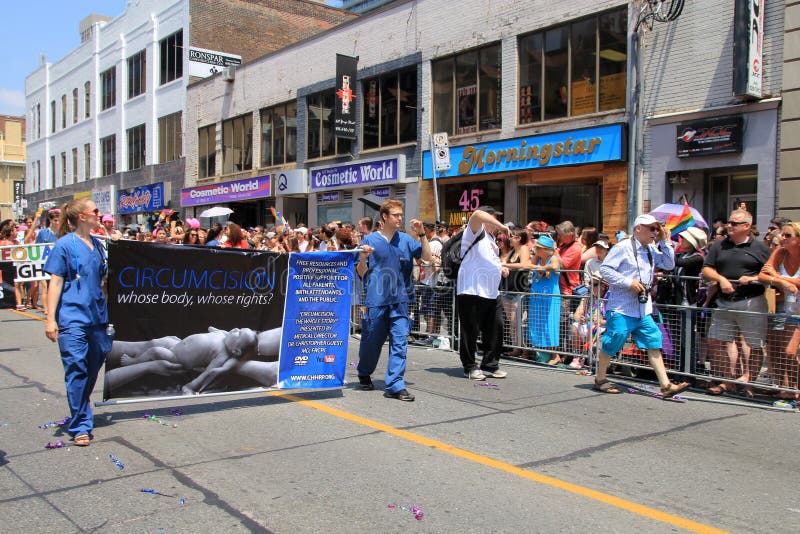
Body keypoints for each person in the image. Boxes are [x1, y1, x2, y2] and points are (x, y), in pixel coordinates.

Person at [592, 214, 689, 398]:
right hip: (622, 306)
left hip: (642, 308)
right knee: (615, 339)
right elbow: (605, 269)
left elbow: (669, 264)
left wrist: (664, 241)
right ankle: (600, 378)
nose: (655, 232)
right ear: (638, 229)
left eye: (656, 229)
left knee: (653, 341)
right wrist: (629, 282)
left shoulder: (651, 250)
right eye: (651, 229)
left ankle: (666, 384)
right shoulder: (623, 247)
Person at [42, 198, 112, 447]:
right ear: (83, 216)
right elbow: (55, 283)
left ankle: (81, 408)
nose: (99, 214)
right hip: (73, 318)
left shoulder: (97, 244)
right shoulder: (64, 245)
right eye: (95, 211)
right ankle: (81, 424)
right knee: (77, 369)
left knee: (92, 367)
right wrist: (50, 319)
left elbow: (103, 281)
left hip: (98, 318)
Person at [356, 199, 431, 401]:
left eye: (401, 214)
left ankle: (395, 385)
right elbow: (361, 272)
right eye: (396, 215)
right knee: (372, 341)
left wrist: (422, 234)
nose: (400, 218)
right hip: (376, 300)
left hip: (400, 300)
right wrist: (363, 258)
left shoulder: (406, 240)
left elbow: (427, 257)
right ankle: (364, 371)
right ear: (384, 217)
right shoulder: (370, 241)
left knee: (400, 342)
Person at [702, 209, 771, 396]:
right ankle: (728, 381)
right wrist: (721, 279)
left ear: (747, 227)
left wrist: (753, 278)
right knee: (716, 340)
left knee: (754, 344)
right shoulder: (719, 246)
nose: (729, 226)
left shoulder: (761, 249)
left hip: (751, 301)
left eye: (734, 223)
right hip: (724, 302)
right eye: (728, 222)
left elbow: (771, 274)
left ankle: (749, 382)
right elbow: (707, 270)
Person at [457, 206, 509, 380]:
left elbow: (487, 259)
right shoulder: (473, 231)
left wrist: (500, 268)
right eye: (493, 218)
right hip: (472, 290)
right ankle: (470, 366)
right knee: (470, 330)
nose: (495, 223)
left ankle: (490, 364)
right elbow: (477, 214)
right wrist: (500, 225)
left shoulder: (490, 239)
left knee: (496, 327)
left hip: (491, 292)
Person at [758, 222, 800, 399]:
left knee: (790, 352)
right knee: (788, 352)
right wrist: (783, 282)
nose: (781, 238)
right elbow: (762, 275)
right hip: (792, 310)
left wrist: (775, 276)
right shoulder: (780, 253)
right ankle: (794, 388)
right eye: (782, 235)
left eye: (787, 236)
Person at [527, 235, 562, 362]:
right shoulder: (537, 259)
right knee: (537, 323)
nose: (536, 249)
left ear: (545, 249)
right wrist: (538, 262)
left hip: (550, 297)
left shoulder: (553, 258)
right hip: (537, 294)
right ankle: (539, 351)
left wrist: (542, 268)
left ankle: (555, 355)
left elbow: (553, 266)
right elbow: (528, 265)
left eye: (538, 248)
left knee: (549, 323)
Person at [500, 228, 532, 356]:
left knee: (516, 321)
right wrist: (504, 266)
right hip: (507, 287)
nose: (509, 238)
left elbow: (523, 264)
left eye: (512, 236)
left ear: (519, 238)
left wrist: (506, 266)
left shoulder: (524, 248)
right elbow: (503, 262)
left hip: (519, 289)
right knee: (511, 322)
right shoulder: (512, 251)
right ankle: (515, 348)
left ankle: (525, 349)